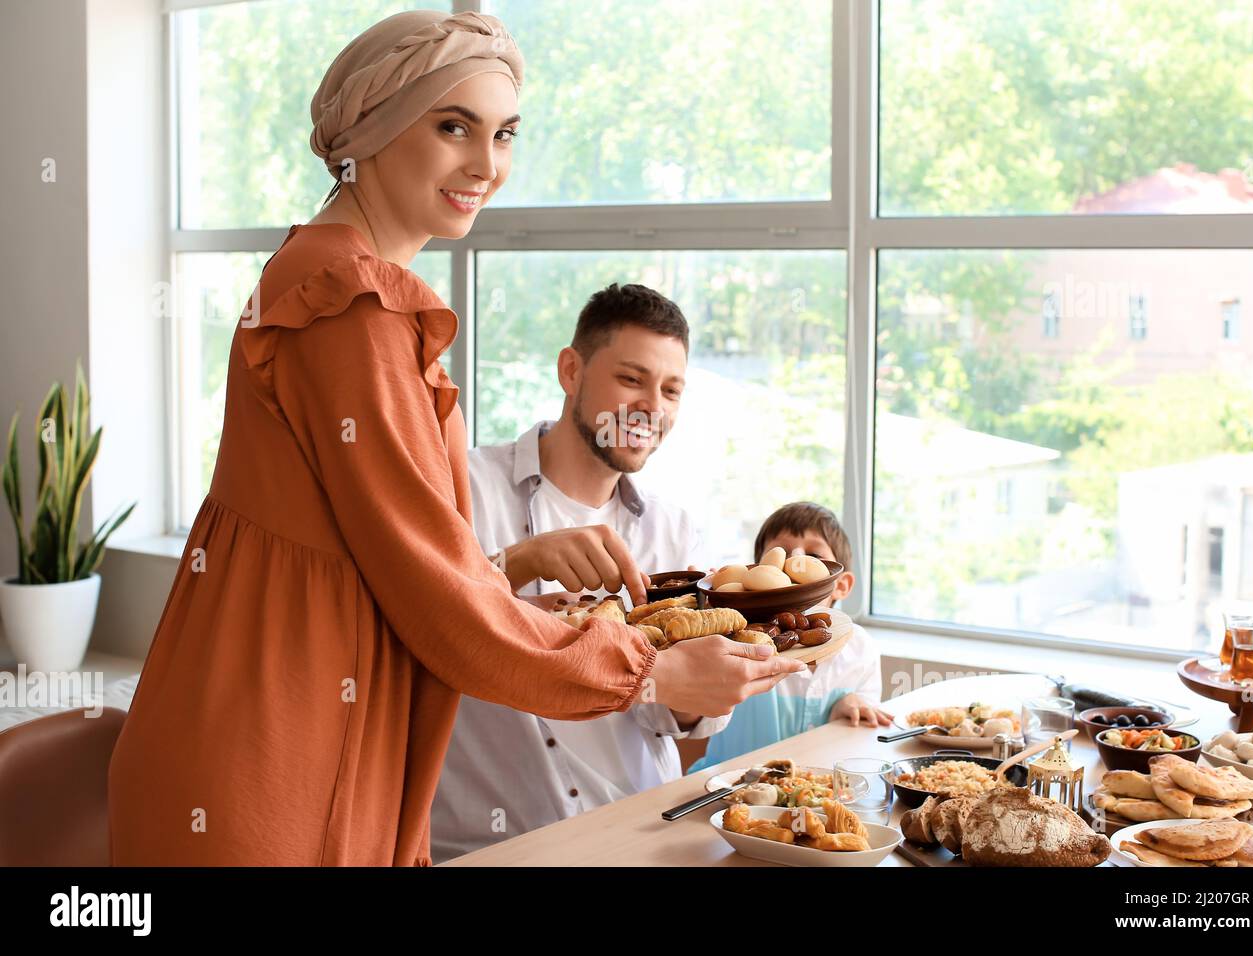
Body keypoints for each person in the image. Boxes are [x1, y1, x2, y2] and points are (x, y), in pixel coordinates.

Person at [107, 10, 802, 866]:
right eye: (452, 126)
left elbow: (399, 572)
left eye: (504, 134)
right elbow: (436, 599)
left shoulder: (347, 285)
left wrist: (526, 585)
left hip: (303, 717)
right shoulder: (347, 306)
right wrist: (643, 669)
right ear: (370, 128)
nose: (486, 165)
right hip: (273, 749)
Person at [430, 283, 727, 862]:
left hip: (640, 843)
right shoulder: (462, 484)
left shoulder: (676, 531)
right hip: (488, 848)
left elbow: (679, 723)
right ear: (571, 370)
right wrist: (515, 565)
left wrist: (697, 693)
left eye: (671, 390)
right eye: (632, 379)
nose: (653, 407)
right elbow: (418, 622)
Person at [689, 502, 892, 771]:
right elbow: (693, 710)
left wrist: (846, 708)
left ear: (841, 585)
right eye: (781, 556)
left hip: (813, 796)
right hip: (728, 791)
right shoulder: (737, 640)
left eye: (814, 556)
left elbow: (860, 740)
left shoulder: (860, 649)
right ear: (754, 579)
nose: (796, 565)